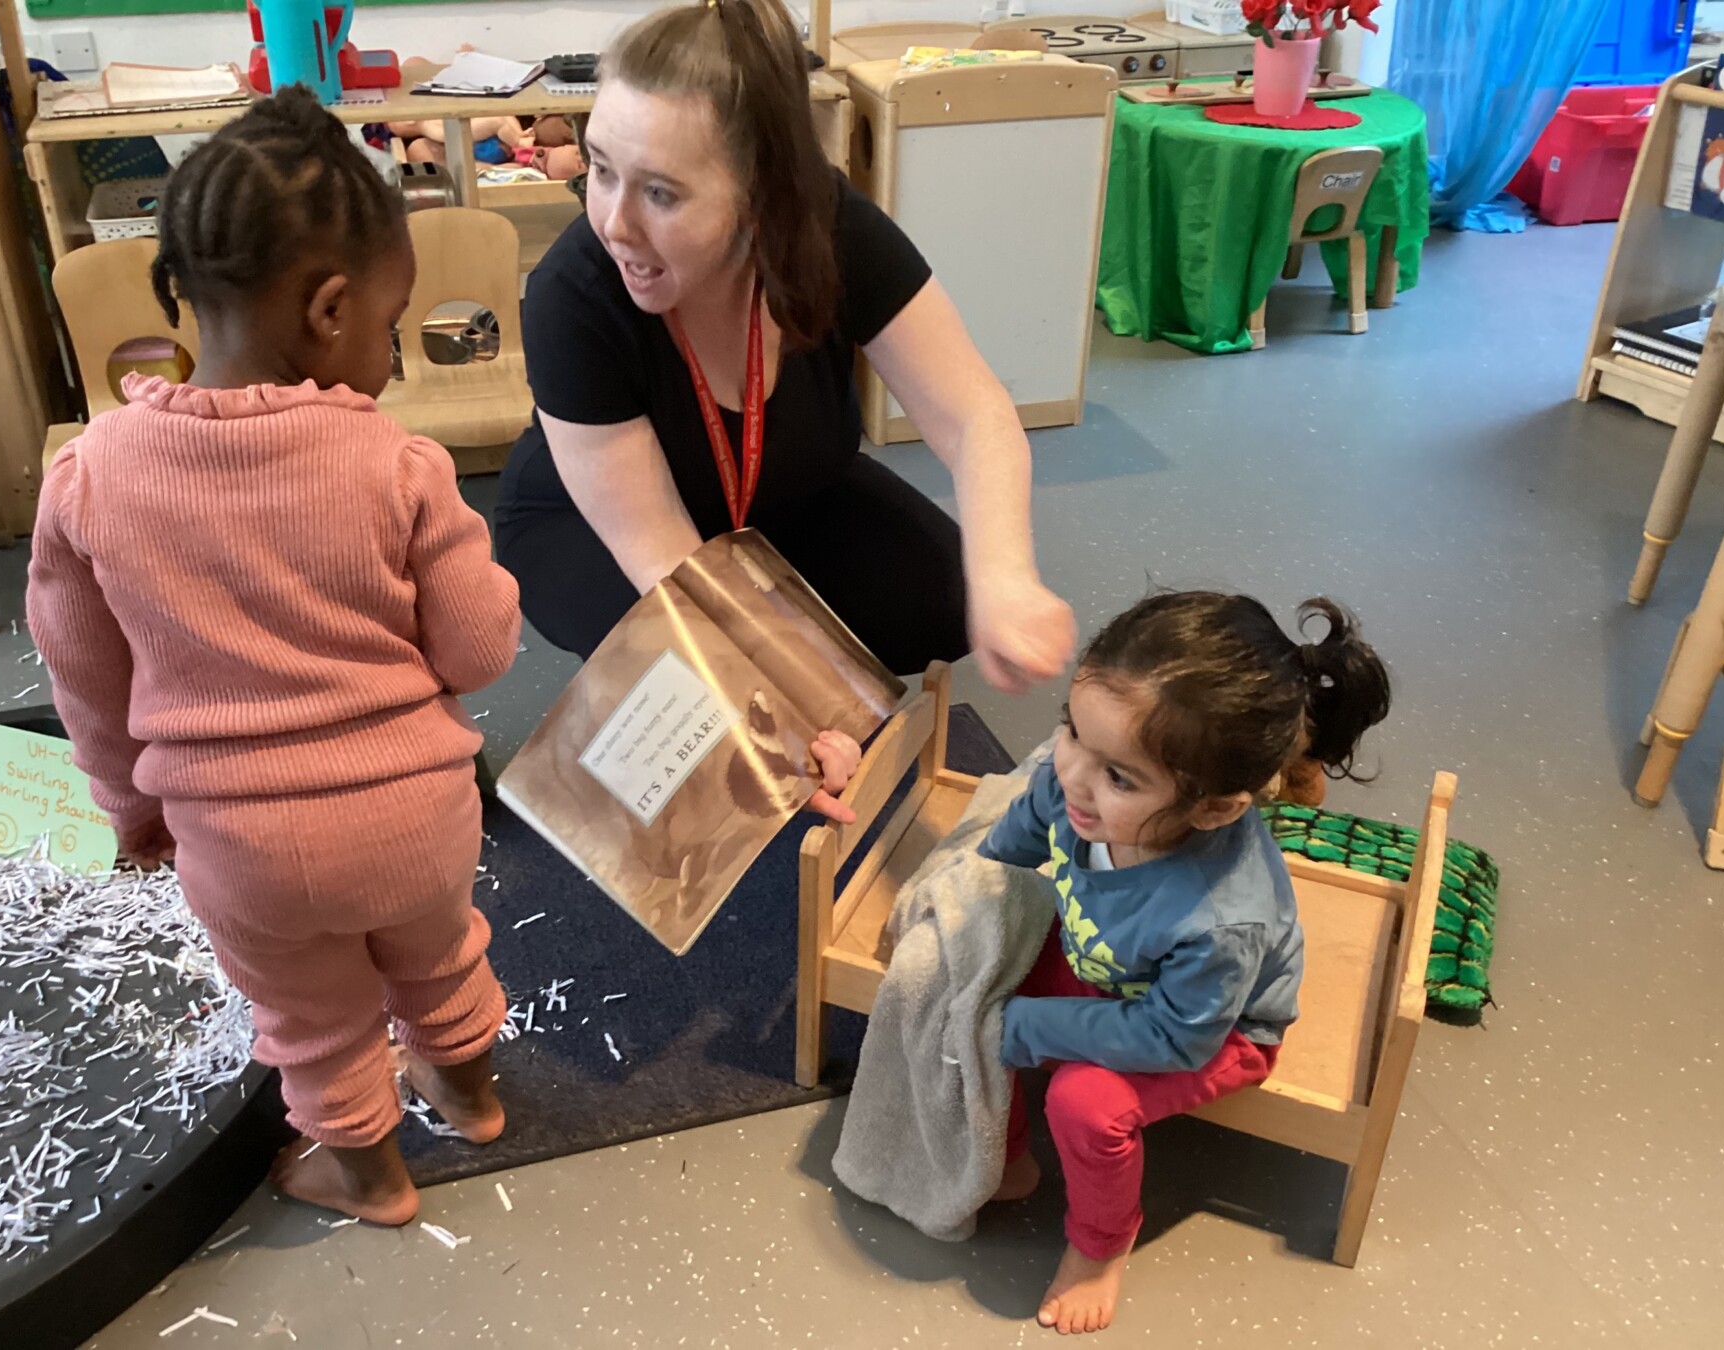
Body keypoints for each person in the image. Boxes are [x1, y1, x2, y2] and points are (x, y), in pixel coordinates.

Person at [26, 89, 522, 1226]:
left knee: (313, 1021)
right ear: (331, 308)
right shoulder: (398, 463)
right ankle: (473, 1098)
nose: (391, 356)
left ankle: (370, 1178)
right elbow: (482, 647)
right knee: (442, 958)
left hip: (237, 841)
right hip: (416, 819)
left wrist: (129, 811)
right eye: (392, 327)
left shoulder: (90, 476)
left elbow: (87, 682)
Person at [493, 0, 1075, 696]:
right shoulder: (573, 297)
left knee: (948, 598)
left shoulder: (825, 224)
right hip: (591, 528)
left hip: (785, 493)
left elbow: (974, 415)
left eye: (661, 194)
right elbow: (665, 558)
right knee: (692, 675)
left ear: (759, 194)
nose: (615, 224)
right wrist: (805, 697)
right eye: (601, 169)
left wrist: (1006, 577)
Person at [978, 591, 1392, 1335]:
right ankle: (1006, 1160)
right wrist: (980, 873)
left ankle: (1102, 1245)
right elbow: (1032, 817)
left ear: (1215, 808)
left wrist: (1032, 1025)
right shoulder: (1081, 782)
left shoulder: (1219, 919)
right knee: (976, 992)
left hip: (1214, 1030)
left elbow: (1176, 1039)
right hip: (1111, 969)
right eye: (1071, 729)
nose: (1073, 774)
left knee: (1084, 1101)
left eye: (1120, 777)